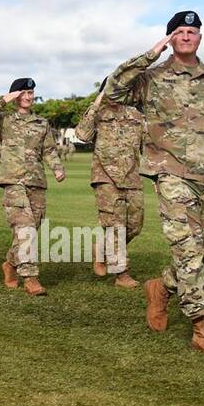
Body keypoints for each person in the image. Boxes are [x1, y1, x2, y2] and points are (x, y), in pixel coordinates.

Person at [104, 11, 204, 358]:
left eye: (192, 31)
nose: (187, 36)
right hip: (169, 173)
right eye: (180, 32)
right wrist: (149, 55)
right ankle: (202, 326)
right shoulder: (151, 78)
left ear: (200, 38)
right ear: (170, 38)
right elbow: (113, 90)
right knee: (187, 248)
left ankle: (162, 287)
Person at [0, 77, 64, 297]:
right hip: (13, 181)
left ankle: (10, 263)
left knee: (30, 230)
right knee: (25, 228)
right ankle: (31, 277)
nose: (28, 97)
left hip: (36, 182)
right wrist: (3, 100)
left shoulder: (41, 123)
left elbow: (49, 150)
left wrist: (57, 168)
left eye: (31, 93)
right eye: (24, 93)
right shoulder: (5, 120)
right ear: (16, 95)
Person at [75, 77, 144, 288]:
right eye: (111, 88)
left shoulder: (136, 116)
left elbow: (148, 147)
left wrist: (158, 177)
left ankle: (102, 249)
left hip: (133, 178)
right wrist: (97, 102)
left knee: (134, 226)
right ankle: (121, 273)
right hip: (105, 178)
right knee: (116, 228)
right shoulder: (98, 114)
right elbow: (82, 135)